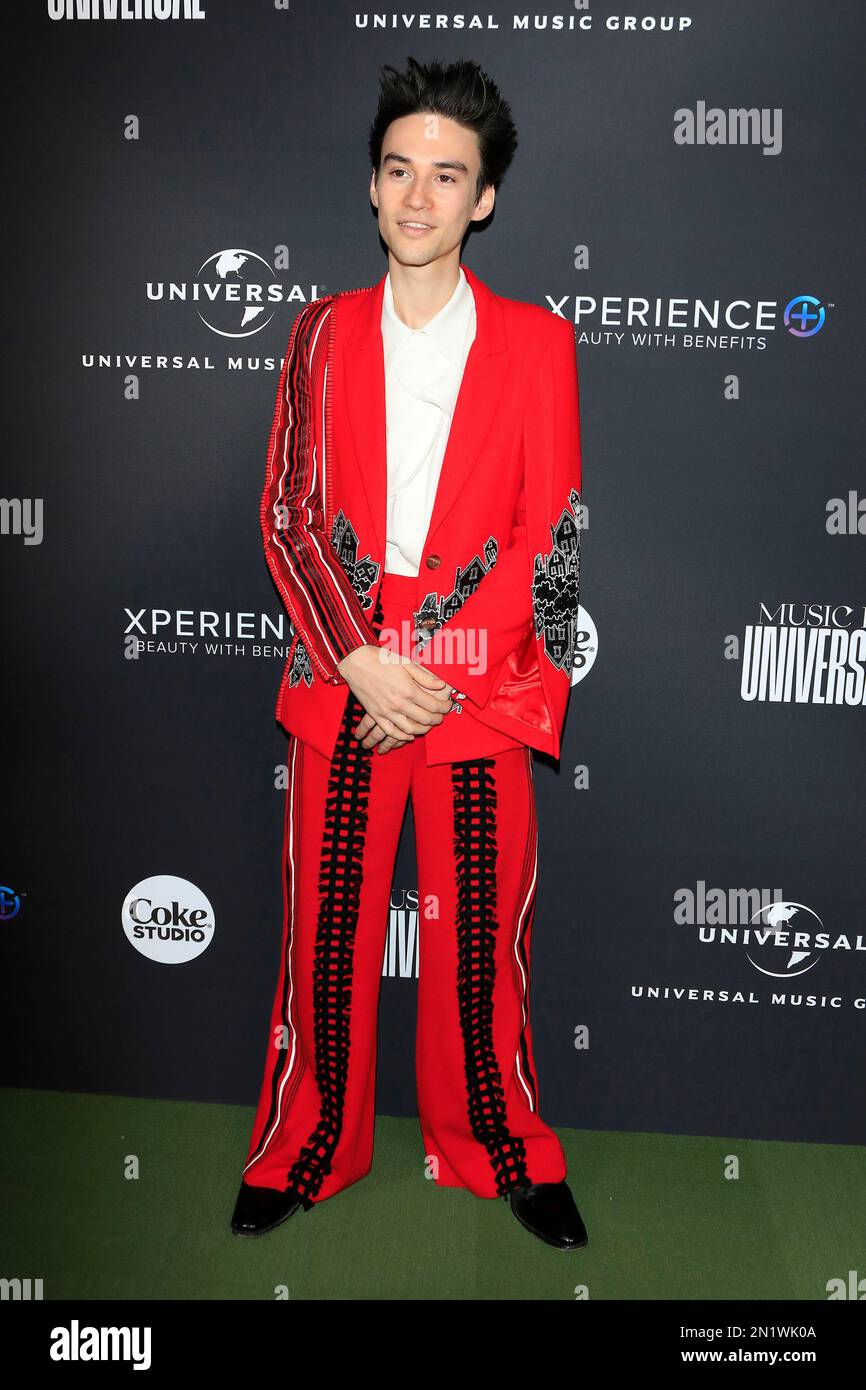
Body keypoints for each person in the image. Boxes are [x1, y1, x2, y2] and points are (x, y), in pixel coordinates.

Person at [231, 55, 587, 1251]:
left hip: (480, 680)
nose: (419, 198)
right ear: (372, 187)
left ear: (483, 198)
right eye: (399, 171)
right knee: (322, 936)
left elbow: (555, 540)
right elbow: (285, 513)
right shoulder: (318, 333)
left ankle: (498, 1146)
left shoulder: (539, 343)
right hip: (346, 668)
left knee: (480, 942)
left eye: (448, 175)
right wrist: (359, 661)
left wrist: (441, 668)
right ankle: (306, 1147)